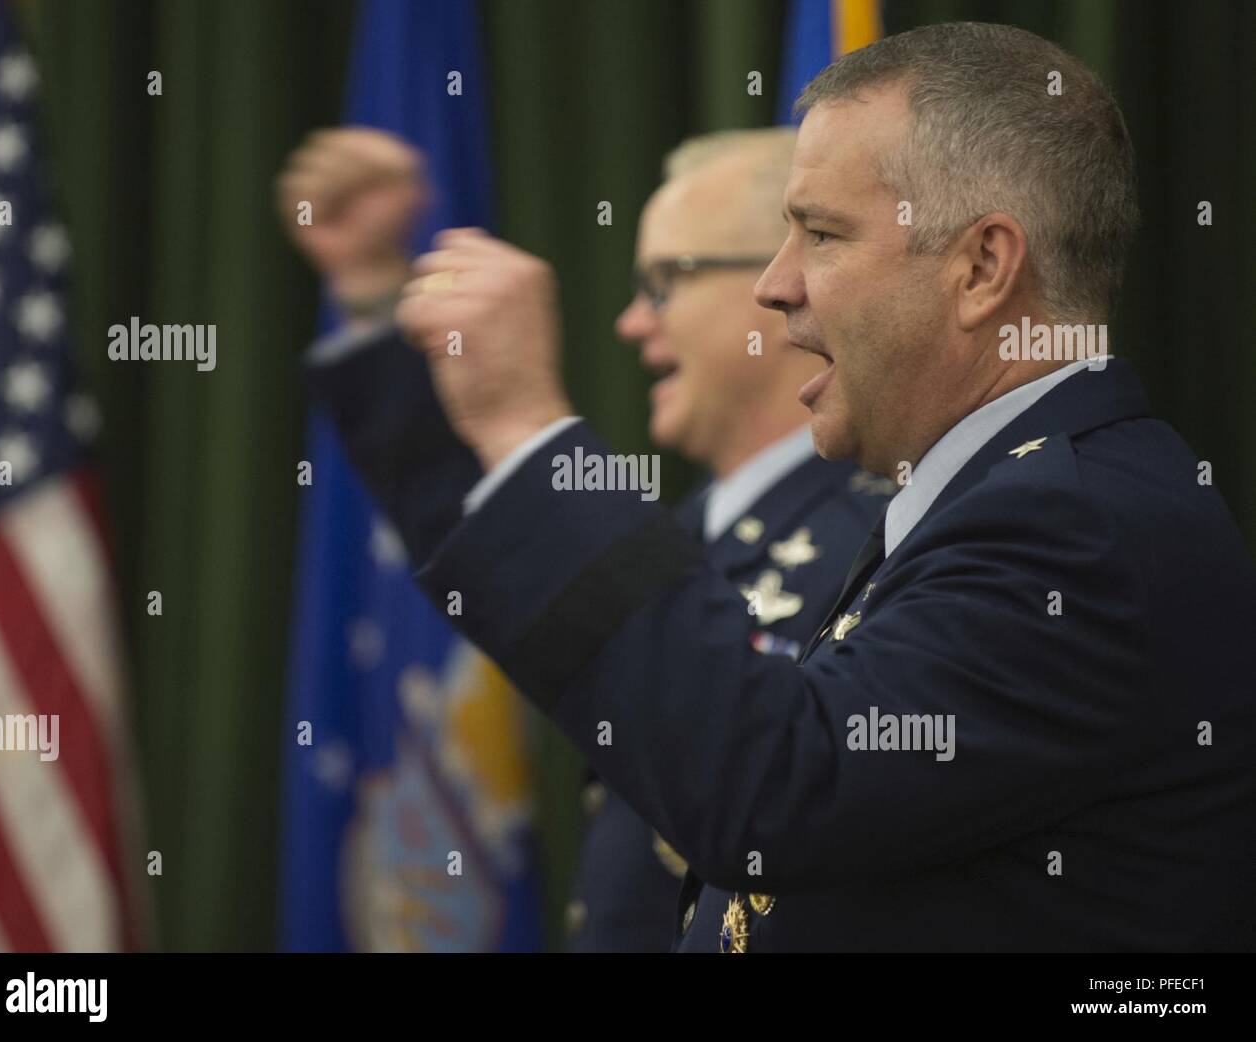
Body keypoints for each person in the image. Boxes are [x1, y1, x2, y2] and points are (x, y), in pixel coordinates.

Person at [376, 21, 1256, 952]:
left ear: (982, 267)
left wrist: (527, 432)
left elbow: (776, 787)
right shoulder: (1001, 500)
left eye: (823, 234)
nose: (775, 283)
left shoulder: (1073, 527)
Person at [278, 126, 891, 951]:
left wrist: (525, 412)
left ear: (785, 284)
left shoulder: (881, 539)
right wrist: (379, 298)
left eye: (664, 281)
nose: (633, 322)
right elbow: (497, 543)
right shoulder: (686, 526)